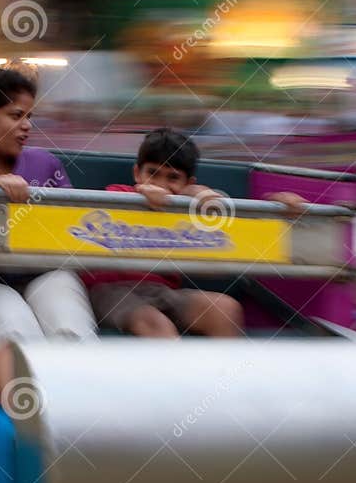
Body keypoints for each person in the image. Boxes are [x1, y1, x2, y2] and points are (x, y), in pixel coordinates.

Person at [0, 68, 97, 404]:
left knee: (70, 325)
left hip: (43, 270)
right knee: (12, 328)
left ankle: (82, 419)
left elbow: (69, 226)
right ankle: (28, 426)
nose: (27, 126)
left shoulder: (43, 164)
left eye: (29, 116)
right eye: (16, 115)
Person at [84, 128, 245, 338]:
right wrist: (143, 192)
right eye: (152, 173)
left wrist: (197, 195)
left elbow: (218, 217)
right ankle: (180, 371)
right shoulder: (118, 195)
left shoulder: (186, 208)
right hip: (111, 290)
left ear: (188, 184)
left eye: (173, 177)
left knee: (226, 309)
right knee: (156, 323)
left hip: (162, 290)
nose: (161, 184)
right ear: (136, 173)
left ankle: (227, 371)